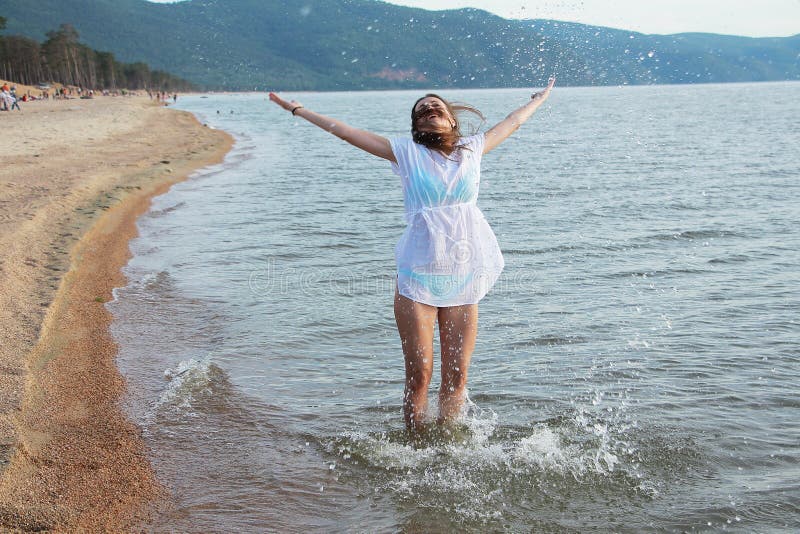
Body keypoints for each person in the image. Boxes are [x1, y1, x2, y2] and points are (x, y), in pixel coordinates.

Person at [268, 78, 555, 432]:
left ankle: (448, 445)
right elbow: (344, 131)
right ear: (416, 126)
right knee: (420, 374)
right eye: (421, 110)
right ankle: (415, 444)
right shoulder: (405, 152)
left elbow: (513, 121)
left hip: (464, 273)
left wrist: (539, 99)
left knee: (457, 375)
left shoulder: (472, 148)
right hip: (418, 274)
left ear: (451, 120)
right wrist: (297, 109)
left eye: (436, 106)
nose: (429, 110)